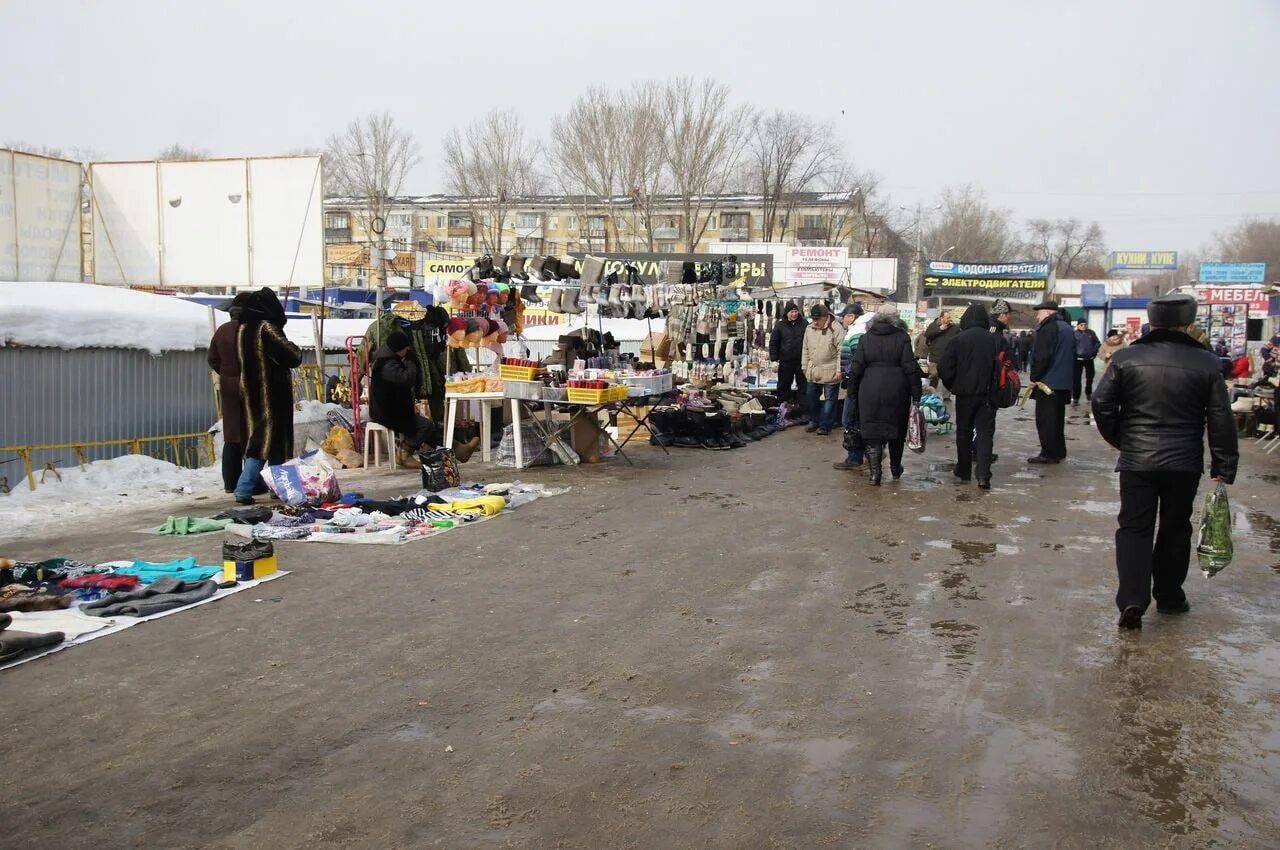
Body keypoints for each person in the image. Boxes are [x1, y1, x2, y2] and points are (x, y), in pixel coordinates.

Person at [1091, 293, 1238, 630]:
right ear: (1188, 325)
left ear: (1152, 323)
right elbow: (1220, 418)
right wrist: (1224, 464)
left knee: (1133, 528)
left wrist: (1122, 439)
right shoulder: (1207, 363)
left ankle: (1131, 600)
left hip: (1136, 461)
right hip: (1184, 463)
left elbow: (1101, 403)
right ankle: (1170, 597)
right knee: (1175, 528)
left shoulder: (1127, 358)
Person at [233, 288, 303, 504]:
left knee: (270, 442)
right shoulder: (267, 329)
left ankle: (279, 488)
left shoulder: (243, 329)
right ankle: (244, 488)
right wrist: (294, 347)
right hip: (272, 395)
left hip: (250, 392)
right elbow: (292, 356)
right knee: (264, 441)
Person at [369, 330, 480, 463]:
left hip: (393, 410)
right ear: (398, 349)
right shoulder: (387, 364)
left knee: (429, 428)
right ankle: (404, 453)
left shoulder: (388, 360)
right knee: (425, 426)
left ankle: (458, 450)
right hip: (387, 413)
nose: (408, 350)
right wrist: (411, 362)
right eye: (406, 348)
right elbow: (407, 379)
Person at [850, 303, 922, 485]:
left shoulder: (866, 338)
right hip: (897, 389)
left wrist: (852, 392)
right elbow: (910, 366)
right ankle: (896, 468)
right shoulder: (902, 337)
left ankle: (875, 474)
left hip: (870, 388)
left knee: (872, 432)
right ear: (895, 319)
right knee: (895, 430)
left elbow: (856, 367)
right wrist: (916, 393)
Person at [940, 304, 999, 489]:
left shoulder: (958, 339)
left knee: (964, 432)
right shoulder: (994, 339)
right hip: (988, 395)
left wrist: (953, 385)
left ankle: (964, 470)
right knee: (985, 434)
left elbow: (945, 368)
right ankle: (983, 475)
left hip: (965, 395)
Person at [207, 292, 252, 493]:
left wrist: (226, 373)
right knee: (252, 435)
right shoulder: (249, 331)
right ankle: (250, 482)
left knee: (232, 436)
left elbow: (213, 359)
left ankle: (230, 483)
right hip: (250, 387)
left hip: (228, 388)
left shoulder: (221, 331)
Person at [1027, 300, 1074, 464]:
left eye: (1039, 313)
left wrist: (1034, 377)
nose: (1037, 316)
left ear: (1047, 312)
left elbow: (1042, 356)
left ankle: (1048, 453)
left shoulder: (1048, 328)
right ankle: (1059, 450)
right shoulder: (1067, 328)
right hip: (1063, 381)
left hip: (1048, 382)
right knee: (1057, 418)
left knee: (1045, 418)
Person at [833, 304, 871, 470]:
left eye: (845, 316)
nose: (842, 319)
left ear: (853, 316)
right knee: (857, 419)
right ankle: (868, 454)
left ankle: (855, 458)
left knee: (850, 419)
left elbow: (857, 360)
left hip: (856, 382)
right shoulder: (860, 330)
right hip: (860, 381)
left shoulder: (858, 332)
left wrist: (848, 375)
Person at [802, 304, 842, 435]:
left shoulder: (836, 328)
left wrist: (839, 370)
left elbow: (841, 351)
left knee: (829, 400)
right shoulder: (809, 328)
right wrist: (804, 366)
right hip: (813, 370)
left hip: (830, 370)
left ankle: (825, 425)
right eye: (813, 319)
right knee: (811, 397)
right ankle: (814, 420)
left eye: (818, 319)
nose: (815, 322)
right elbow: (805, 349)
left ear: (825, 317)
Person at [769, 302, 808, 409]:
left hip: (801, 361)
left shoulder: (804, 323)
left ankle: (803, 411)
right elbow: (773, 342)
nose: (794, 314)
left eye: (796, 311)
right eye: (792, 312)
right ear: (787, 313)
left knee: (803, 387)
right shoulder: (780, 325)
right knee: (783, 386)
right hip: (785, 361)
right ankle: (782, 409)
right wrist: (774, 359)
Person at [922, 311, 960, 411]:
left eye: (949, 318)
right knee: (933, 375)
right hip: (935, 356)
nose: (948, 319)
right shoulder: (934, 325)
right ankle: (930, 393)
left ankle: (946, 396)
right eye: (946, 317)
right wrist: (939, 330)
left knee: (947, 376)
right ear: (941, 318)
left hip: (947, 357)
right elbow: (927, 336)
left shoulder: (954, 328)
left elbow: (959, 338)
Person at [1072, 320, 1102, 405]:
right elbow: (1070, 345)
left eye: (1085, 324)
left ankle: (1088, 393)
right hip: (1077, 360)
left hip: (1089, 359)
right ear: (1078, 326)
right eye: (1081, 325)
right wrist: (1074, 354)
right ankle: (1076, 397)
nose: (1083, 326)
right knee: (1076, 380)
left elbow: (1097, 343)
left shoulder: (1091, 333)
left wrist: (1094, 352)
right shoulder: (1074, 334)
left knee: (1090, 378)